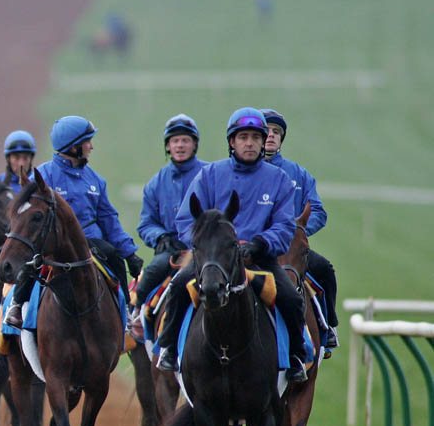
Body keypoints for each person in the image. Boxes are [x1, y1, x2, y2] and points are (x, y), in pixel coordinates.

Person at [154, 108, 308, 384]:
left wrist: (261, 244)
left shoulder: (279, 180)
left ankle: (296, 356)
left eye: (255, 138)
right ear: (232, 142)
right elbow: (186, 220)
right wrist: (208, 244)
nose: (249, 143)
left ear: (263, 143)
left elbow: (285, 226)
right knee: (178, 287)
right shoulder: (210, 175)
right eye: (243, 137)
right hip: (213, 259)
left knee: (292, 299)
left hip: (260, 259)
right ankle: (167, 348)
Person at [3, 116, 143, 328]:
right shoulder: (44, 176)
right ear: (74, 147)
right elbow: (26, 215)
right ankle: (17, 304)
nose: (91, 146)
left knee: (114, 256)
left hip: (91, 243)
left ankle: (125, 312)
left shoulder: (96, 180)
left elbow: (109, 220)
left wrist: (129, 253)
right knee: (32, 263)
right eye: (88, 142)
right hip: (54, 245)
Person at [261, 109, 339, 347]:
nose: (271, 136)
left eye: (276, 132)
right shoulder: (245, 172)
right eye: (266, 132)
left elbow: (318, 210)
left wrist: (300, 231)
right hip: (258, 248)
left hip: (290, 249)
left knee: (324, 268)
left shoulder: (300, 174)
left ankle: (329, 327)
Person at [131, 114, 207, 321]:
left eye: (185, 140)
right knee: (153, 269)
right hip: (172, 250)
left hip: (204, 248)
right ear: (168, 146)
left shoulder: (211, 175)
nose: (180, 145)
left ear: (194, 145)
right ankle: (136, 313)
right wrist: (162, 237)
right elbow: (146, 224)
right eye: (175, 141)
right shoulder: (155, 183)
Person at [0, 130, 35, 204]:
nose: (21, 164)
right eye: (16, 158)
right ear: (8, 159)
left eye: (25, 158)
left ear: (31, 159)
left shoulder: (39, 184)